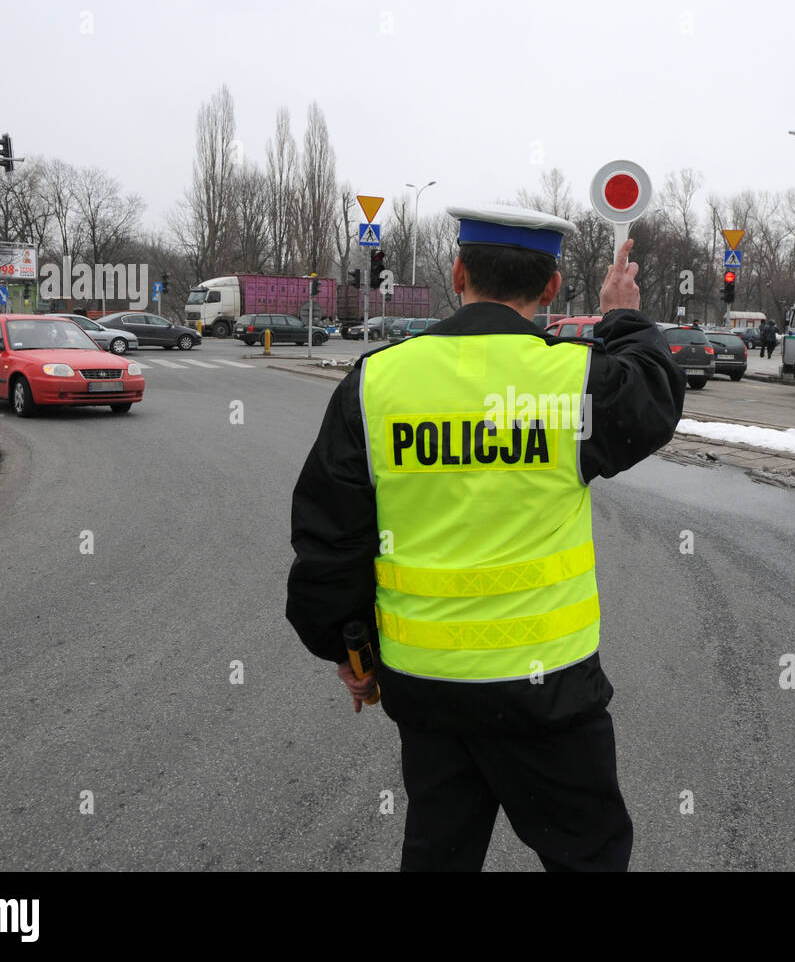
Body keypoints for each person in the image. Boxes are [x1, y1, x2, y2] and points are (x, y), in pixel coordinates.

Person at [287, 204, 685, 871]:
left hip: (428, 688)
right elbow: (656, 393)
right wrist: (622, 313)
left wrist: (350, 649)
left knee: (438, 855)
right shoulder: (574, 383)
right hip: (551, 696)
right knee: (590, 854)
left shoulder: (377, 383)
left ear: (458, 272)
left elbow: (331, 540)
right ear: (553, 286)